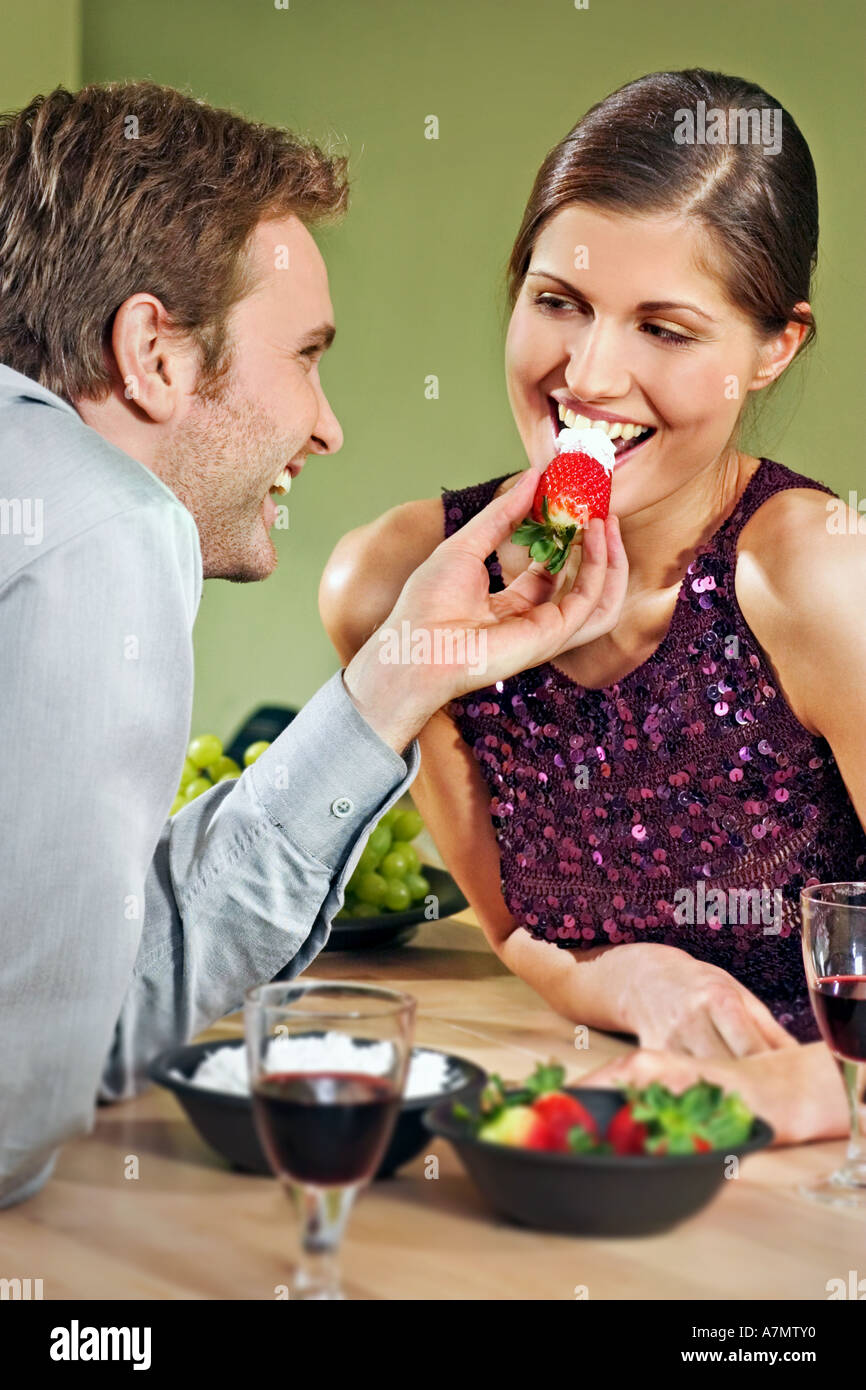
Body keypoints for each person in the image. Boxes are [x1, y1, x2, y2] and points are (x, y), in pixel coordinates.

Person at [0, 82, 627, 1207]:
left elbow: (78, 1008)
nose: (327, 425)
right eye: (304, 354)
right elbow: (17, 1108)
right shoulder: (101, 525)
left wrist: (398, 678)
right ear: (154, 353)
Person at [320, 69, 866, 1145]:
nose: (589, 373)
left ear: (772, 347)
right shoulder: (397, 584)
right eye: (558, 301)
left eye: (663, 328)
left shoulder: (815, 578)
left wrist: (788, 1093)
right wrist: (626, 982)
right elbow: (514, 928)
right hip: (617, 1146)